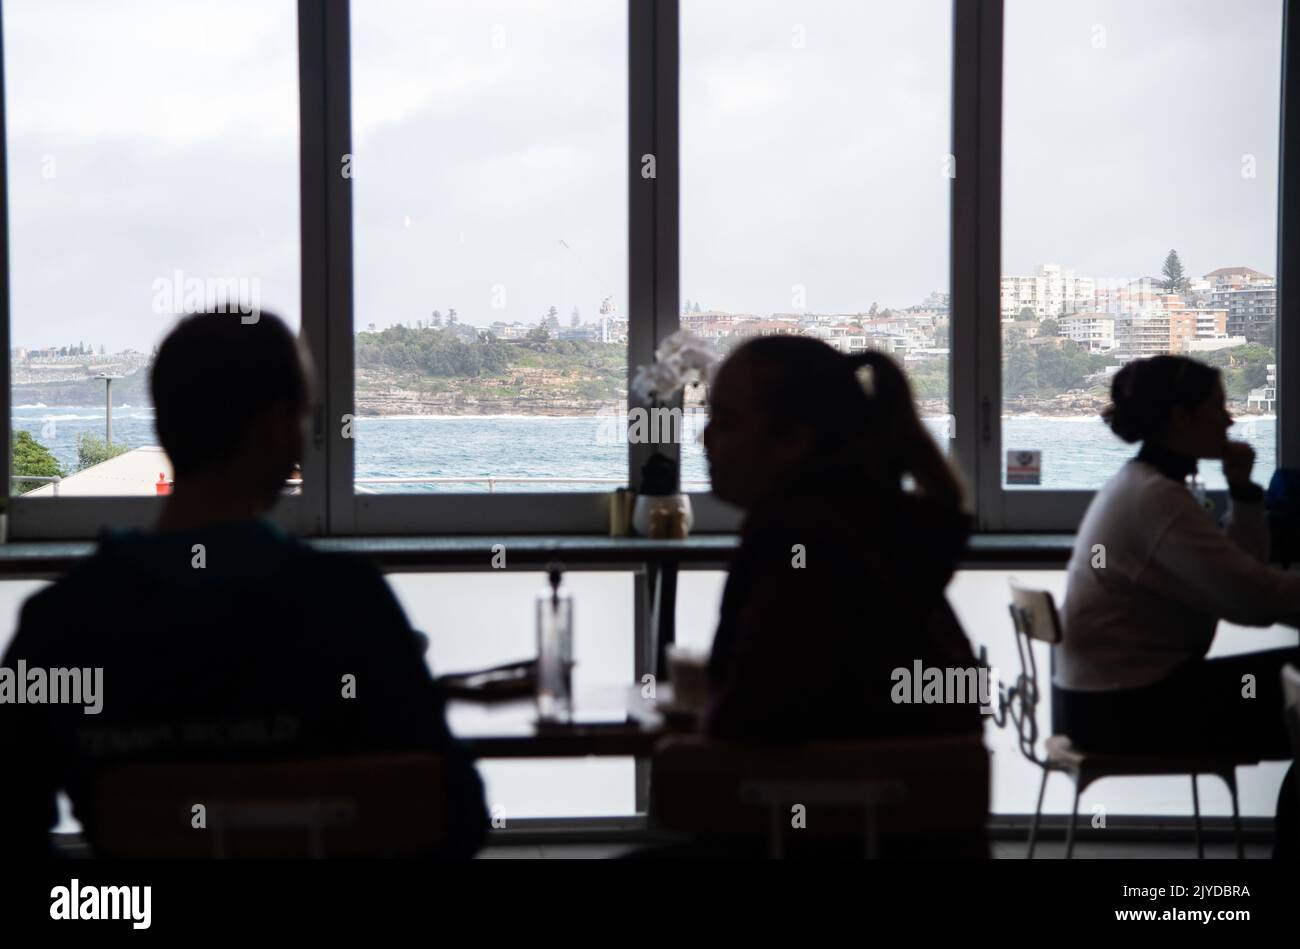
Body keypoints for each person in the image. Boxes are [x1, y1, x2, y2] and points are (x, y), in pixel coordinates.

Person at [0, 311, 488, 858]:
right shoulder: (349, 605)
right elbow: (455, 816)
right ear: (283, 428)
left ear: (163, 426)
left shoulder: (62, 624)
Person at [1057, 354, 1300, 857]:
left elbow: (1240, 575)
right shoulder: (1157, 500)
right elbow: (1252, 601)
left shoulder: (1144, 485)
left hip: (1105, 702)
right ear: (1180, 417)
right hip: (1131, 710)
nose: (1230, 419)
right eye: (1218, 406)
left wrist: (1243, 490)